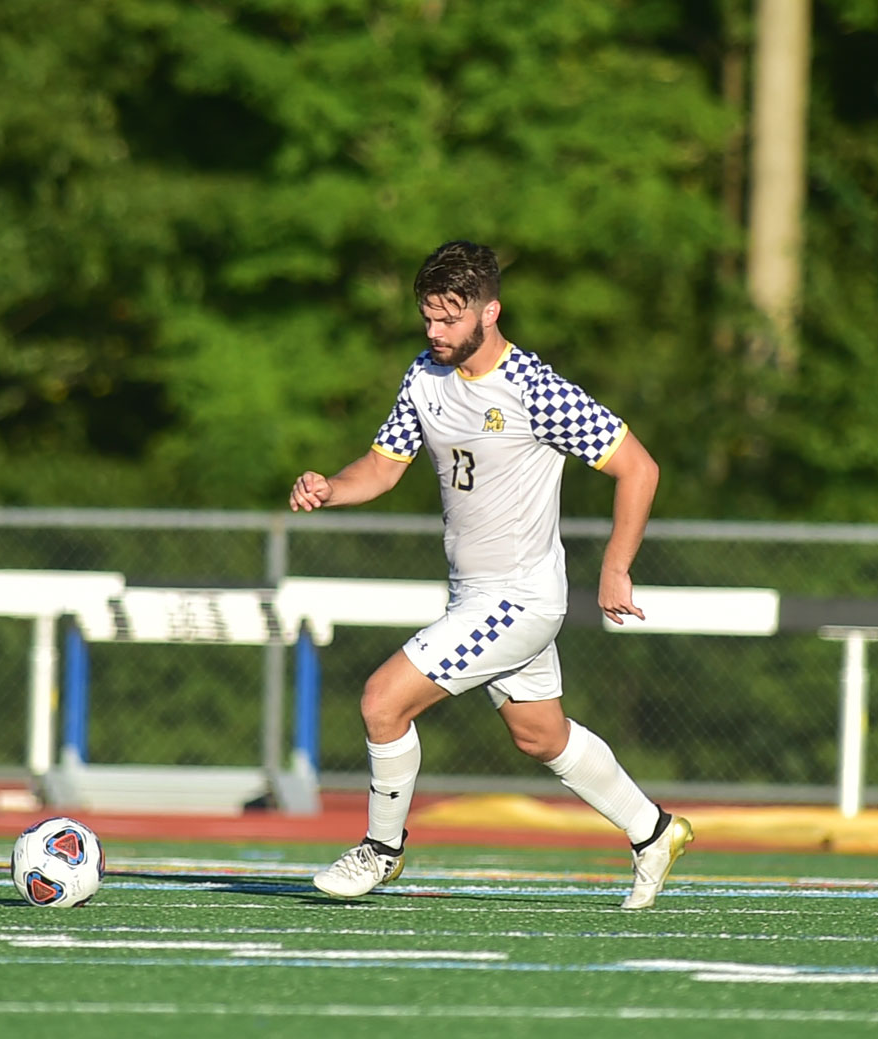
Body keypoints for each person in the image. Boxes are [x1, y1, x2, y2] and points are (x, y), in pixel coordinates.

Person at [288, 240, 692, 910]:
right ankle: (654, 831)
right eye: (428, 317)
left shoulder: (535, 389)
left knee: (382, 700)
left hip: (519, 599)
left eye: (449, 319)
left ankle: (382, 851)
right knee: (540, 735)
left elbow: (638, 469)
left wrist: (616, 569)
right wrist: (330, 487)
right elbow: (384, 466)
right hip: (474, 596)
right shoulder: (424, 376)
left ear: (490, 311)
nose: (435, 332)